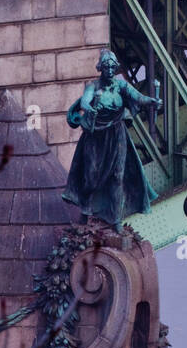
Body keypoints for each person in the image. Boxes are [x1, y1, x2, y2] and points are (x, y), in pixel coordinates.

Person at [63, 49, 161, 231]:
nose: (109, 70)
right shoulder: (93, 86)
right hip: (95, 137)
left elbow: (138, 97)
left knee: (117, 176)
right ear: (101, 68)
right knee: (91, 177)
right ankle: (85, 210)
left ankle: (116, 220)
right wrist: (89, 108)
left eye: (112, 67)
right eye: (106, 66)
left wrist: (152, 101)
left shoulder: (121, 86)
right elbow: (85, 101)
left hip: (117, 135)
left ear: (115, 68)